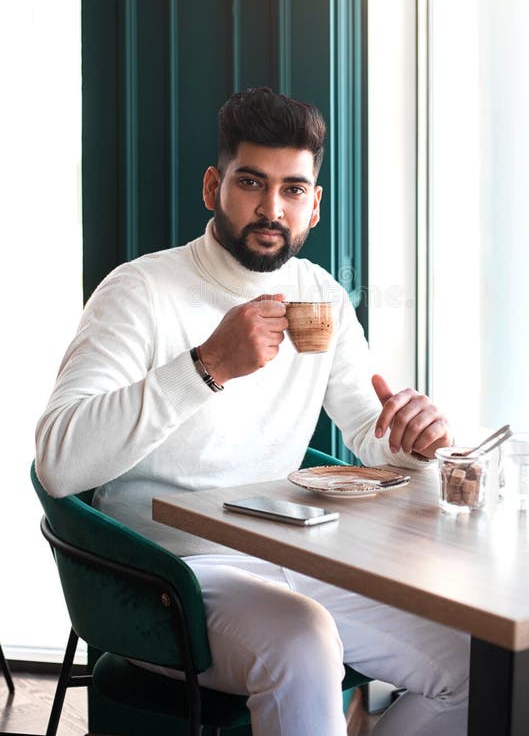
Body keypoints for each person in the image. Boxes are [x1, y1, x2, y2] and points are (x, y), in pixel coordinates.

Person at [36, 87, 469, 736]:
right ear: (214, 187)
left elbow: (366, 430)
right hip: (160, 575)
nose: (272, 208)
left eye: (293, 189)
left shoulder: (317, 296)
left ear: (314, 205)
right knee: (302, 641)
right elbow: (60, 462)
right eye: (251, 182)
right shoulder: (142, 292)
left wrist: (415, 440)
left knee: (472, 659)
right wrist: (206, 366)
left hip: (283, 558)